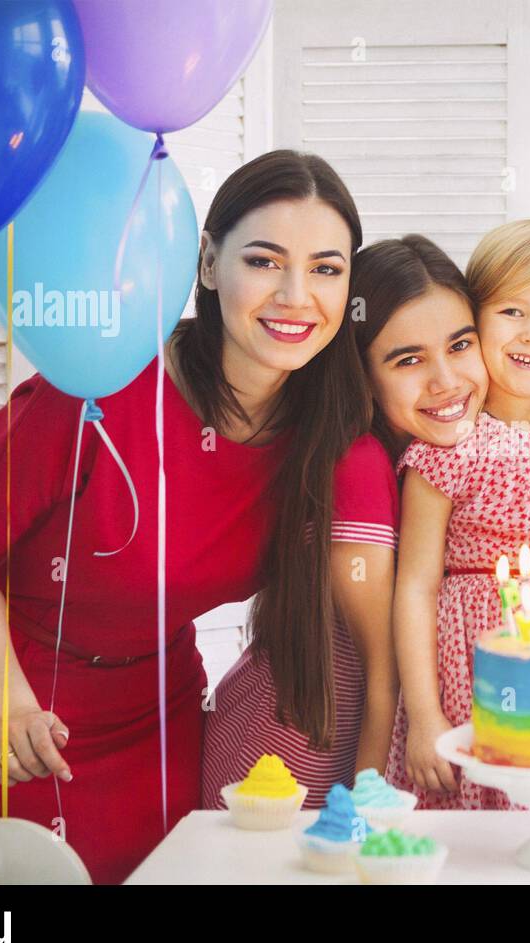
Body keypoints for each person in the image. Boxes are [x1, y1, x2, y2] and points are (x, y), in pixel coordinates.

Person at [0, 149, 371, 883]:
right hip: (15, 704)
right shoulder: (99, 383)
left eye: (326, 268)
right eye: (264, 261)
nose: (297, 295)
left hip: (157, 712)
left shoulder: (326, 430)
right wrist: (9, 703)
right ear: (206, 263)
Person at [202, 234, 488, 803]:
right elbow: (384, 672)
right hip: (290, 757)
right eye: (407, 359)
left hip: (336, 741)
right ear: (362, 372)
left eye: (460, 346)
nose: (445, 380)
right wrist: (364, 811)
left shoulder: (435, 464)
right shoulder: (359, 464)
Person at [385, 220, 530, 809]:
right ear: (474, 319)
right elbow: (414, 586)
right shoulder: (446, 446)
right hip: (474, 675)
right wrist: (427, 715)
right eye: (513, 311)